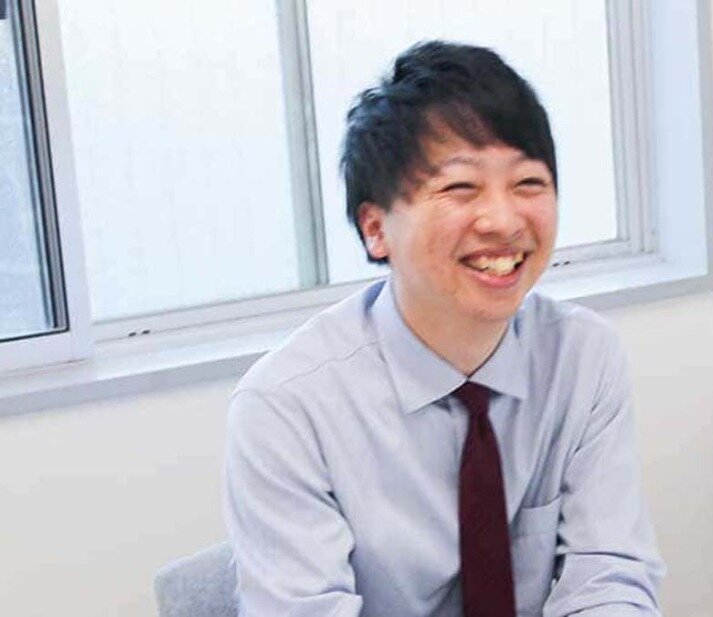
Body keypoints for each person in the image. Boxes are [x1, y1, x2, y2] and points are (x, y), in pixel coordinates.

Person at [223, 40, 665, 617]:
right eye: (460, 188)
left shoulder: (582, 357)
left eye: (528, 184)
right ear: (376, 229)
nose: (503, 220)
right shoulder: (286, 407)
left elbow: (609, 577)